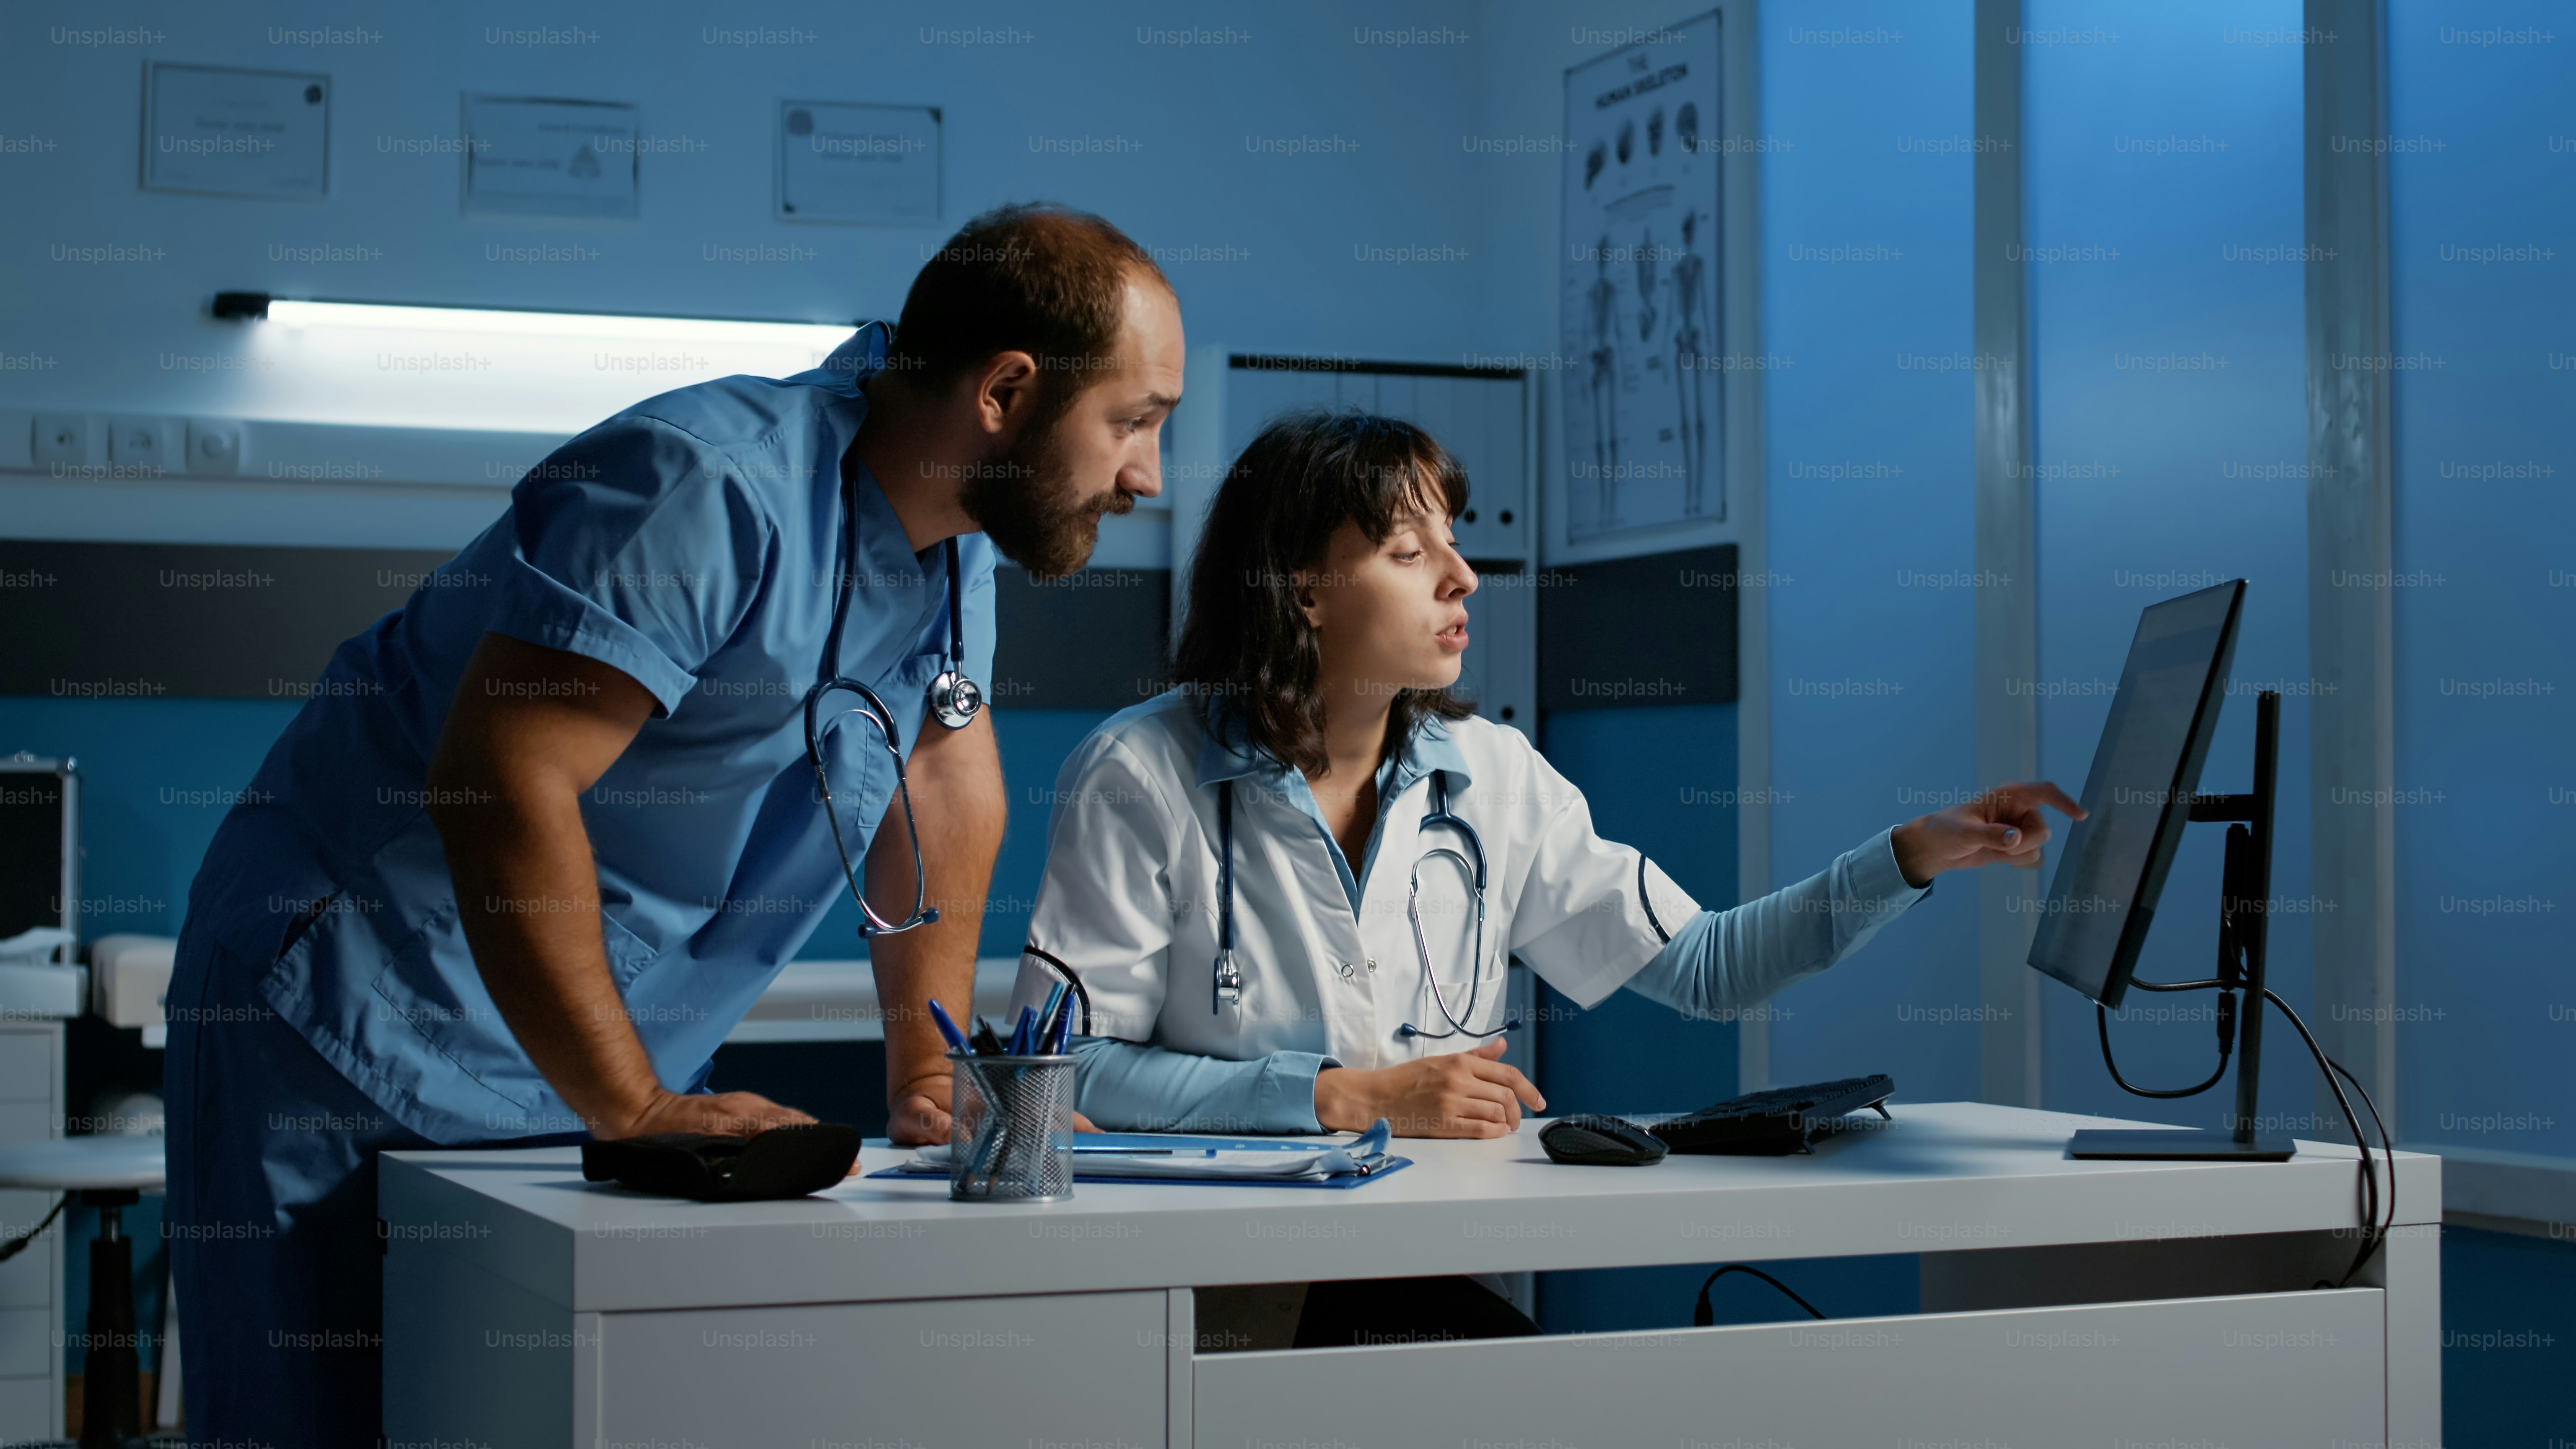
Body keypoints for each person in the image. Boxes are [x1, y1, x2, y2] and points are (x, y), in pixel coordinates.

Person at [162, 202, 1182, 1443]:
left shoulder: (956, 541)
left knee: (539, 1409)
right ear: (1005, 393)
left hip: (596, 1048)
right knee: (325, 1415)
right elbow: (504, 778)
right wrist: (633, 1106)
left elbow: (945, 772)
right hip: (361, 1006)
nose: (1149, 476)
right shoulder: (705, 487)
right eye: (1133, 422)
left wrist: (929, 1068)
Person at [1009, 410, 2082, 1344]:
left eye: (1456, 539)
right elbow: (1062, 1071)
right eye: (1404, 546)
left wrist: (1910, 857)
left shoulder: (1491, 775)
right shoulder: (1139, 773)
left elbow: (1706, 969)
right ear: (1305, 588)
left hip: (1426, 1266)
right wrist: (1338, 1098)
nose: (1461, 575)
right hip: (1220, 1292)